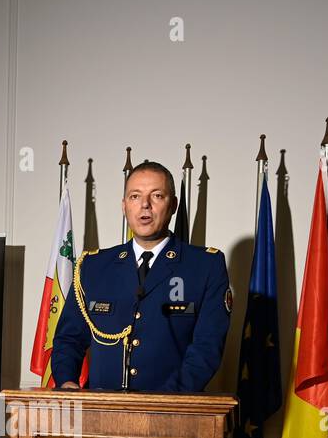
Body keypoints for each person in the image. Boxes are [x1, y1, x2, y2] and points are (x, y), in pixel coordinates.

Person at [50, 160, 232, 392]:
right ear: (124, 205)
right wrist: (67, 382)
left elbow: (207, 347)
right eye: (135, 196)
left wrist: (165, 402)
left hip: (174, 413)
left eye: (156, 196)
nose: (144, 205)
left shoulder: (205, 266)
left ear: (173, 204)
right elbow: (69, 338)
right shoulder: (93, 267)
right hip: (100, 412)